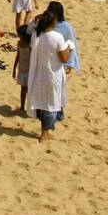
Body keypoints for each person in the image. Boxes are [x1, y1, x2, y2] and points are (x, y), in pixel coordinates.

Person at [26, 9, 73, 142]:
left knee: (43, 104)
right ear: (53, 22)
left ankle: (44, 131)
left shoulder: (36, 35)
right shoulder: (56, 37)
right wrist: (69, 48)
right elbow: (64, 58)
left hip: (40, 74)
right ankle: (44, 134)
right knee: (51, 105)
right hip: (53, 75)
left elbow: (32, 52)